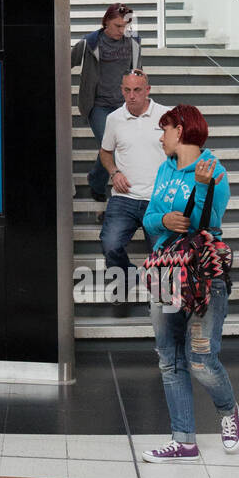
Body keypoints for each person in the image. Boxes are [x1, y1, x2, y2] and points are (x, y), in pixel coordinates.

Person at [141, 104, 239, 462]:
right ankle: (184, 440)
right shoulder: (164, 170)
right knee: (169, 359)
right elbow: (150, 219)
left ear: (180, 130)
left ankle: (227, 410)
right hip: (166, 273)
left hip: (201, 277)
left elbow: (206, 224)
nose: (162, 136)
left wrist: (200, 188)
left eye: (165, 129)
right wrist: (164, 218)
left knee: (201, 360)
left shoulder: (215, 170)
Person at [98, 70, 168, 312]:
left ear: (147, 90)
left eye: (137, 90)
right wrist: (114, 172)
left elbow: (181, 153)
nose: (131, 95)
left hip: (158, 200)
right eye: (127, 90)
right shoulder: (114, 119)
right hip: (125, 198)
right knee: (110, 243)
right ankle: (126, 278)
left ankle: (162, 303)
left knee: (162, 253)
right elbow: (105, 151)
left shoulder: (166, 116)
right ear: (121, 91)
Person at [71, 3, 141, 201]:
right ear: (106, 23)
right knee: (109, 144)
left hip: (123, 104)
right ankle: (98, 182)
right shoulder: (89, 43)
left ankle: (96, 180)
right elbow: (63, 63)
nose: (122, 30)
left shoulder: (133, 43)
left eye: (126, 26)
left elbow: (138, 71)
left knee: (118, 144)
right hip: (98, 105)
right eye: (118, 26)